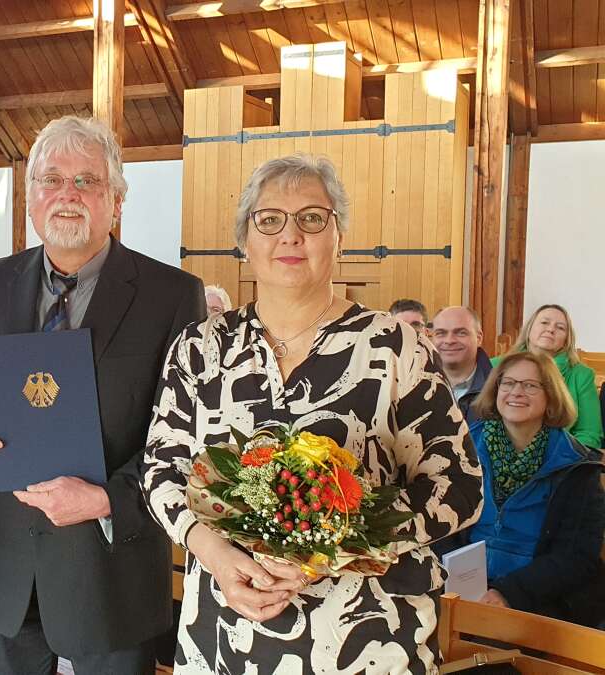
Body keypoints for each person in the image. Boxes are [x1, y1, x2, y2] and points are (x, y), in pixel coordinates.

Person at [142, 154, 483, 673]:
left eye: (312, 218)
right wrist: (214, 553)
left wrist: (333, 548)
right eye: (270, 219)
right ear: (245, 240)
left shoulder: (397, 348)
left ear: (337, 236)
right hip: (228, 632)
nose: (290, 235)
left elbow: (458, 486)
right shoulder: (201, 349)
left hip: (369, 637)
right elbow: (161, 471)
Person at [0, 115, 206, 674]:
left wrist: (107, 499)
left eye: (87, 181)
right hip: (7, 573)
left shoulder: (171, 294)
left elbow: (186, 435)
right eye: (52, 180)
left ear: (117, 201)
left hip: (110, 574)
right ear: (31, 199)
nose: (67, 195)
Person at [457, 352, 604, 625]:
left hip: (537, 595)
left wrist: (507, 592)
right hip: (461, 586)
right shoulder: (463, 448)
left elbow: (577, 556)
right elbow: (443, 525)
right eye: (508, 383)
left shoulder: (577, 465)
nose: (516, 392)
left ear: (551, 397)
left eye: (530, 385)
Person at [494, 304, 603, 448]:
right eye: (544, 322)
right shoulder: (495, 366)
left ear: (566, 339)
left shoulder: (582, 375)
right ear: (529, 329)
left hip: (561, 459)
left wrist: (559, 459)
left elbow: (589, 434)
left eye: (560, 327)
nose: (551, 329)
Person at [431, 306, 493, 422]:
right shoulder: (413, 385)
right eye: (441, 333)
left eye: (461, 333)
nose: (449, 341)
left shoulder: (499, 388)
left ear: (479, 338)